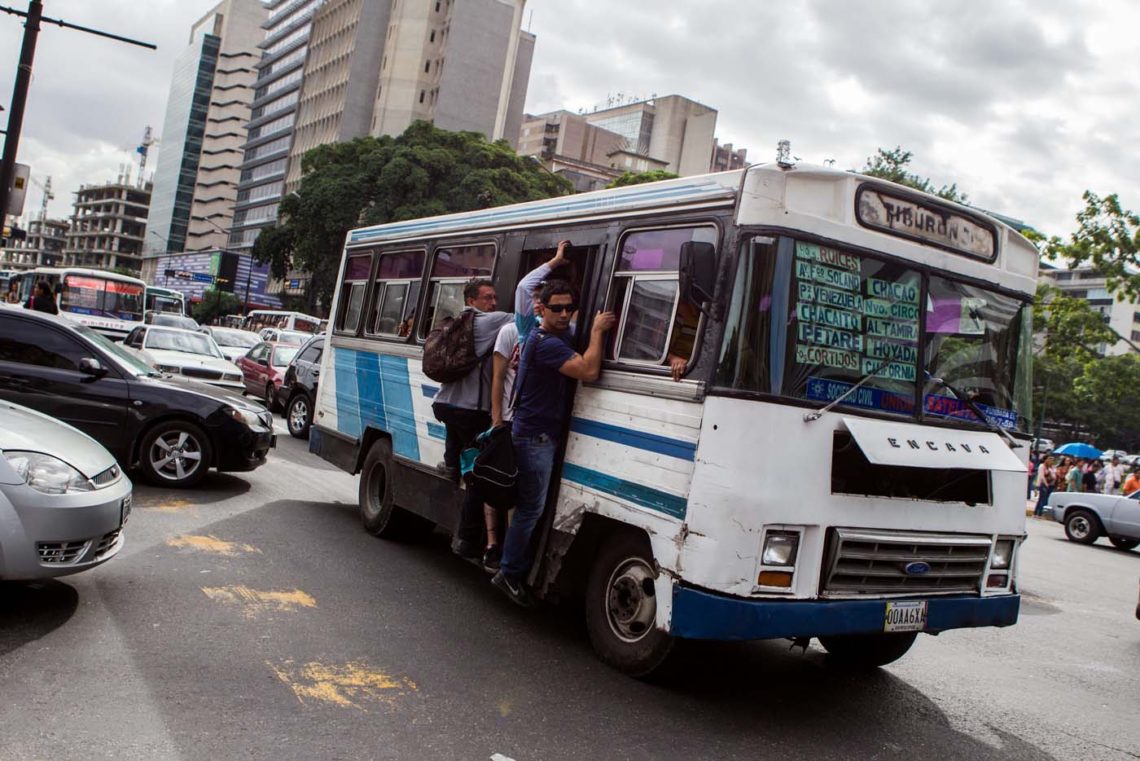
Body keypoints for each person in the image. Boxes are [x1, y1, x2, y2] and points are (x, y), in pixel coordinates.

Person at [491, 280, 615, 605]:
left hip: (540, 434)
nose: (563, 314)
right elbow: (588, 370)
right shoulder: (544, 342)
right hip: (534, 437)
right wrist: (597, 331)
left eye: (569, 308)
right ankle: (509, 573)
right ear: (541, 309)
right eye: (556, 308)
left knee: (531, 506)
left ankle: (512, 567)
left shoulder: (559, 336)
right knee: (530, 508)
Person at [481, 243, 573, 572]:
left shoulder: (564, 331)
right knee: (507, 490)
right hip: (515, 420)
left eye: (567, 308)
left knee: (520, 497)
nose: (561, 313)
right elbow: (523, 288)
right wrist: (555, 262)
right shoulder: (525, 330)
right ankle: (499, 553)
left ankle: (508, 557)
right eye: (541, 301)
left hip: (529, 421)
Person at [431, 278, 514, 560]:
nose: (494, 303)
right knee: (478, 477)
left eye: (494, 298)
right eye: (487, 298)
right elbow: (526, 319)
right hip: (469, 411)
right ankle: (466, 539)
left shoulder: (458, 323)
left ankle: (452, 466)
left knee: (460, 464)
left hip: (446, 405)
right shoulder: (486, 321)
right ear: (471, 301)